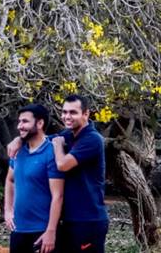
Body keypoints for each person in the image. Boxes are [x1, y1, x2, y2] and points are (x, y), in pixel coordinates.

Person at [51, 94, 108, 253]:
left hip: (88, 220)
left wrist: (57, 145)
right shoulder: (68, 135)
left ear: (86, 114)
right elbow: (40, 141)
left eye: (73, 112)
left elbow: (62, 165)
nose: (67, 117)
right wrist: (19, 140)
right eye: (64, 112)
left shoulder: (93, 139)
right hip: (68, 220)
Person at [4, 103, 64, 253]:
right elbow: (10, 180)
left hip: (41, 231)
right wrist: (8, 210)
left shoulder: (51, 152)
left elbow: (58, 195)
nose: (19, 126)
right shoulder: (17, 150)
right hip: (18, 230)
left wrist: (51, 231)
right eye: (19, 121)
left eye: (25, 121)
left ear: (40, 123)